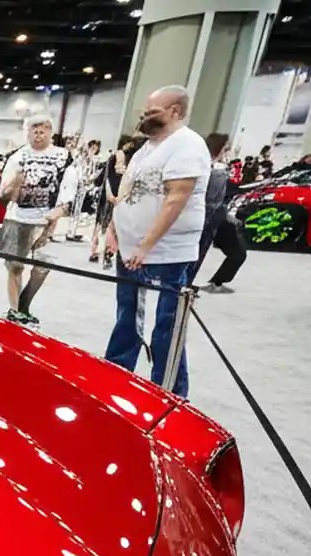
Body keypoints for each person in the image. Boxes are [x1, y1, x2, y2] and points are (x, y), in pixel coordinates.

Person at [104, 85, 211, 398]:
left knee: (165, 324)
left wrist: (146, 245)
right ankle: (116, 372)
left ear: (175, 111)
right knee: (127, 315)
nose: (144, 118)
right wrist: (114, 228)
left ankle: (169, 392)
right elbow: (128, 188)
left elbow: (176, 198)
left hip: (166, 255)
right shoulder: (147, 147)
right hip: (130, 249)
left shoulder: (187, 145)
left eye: (152, 113)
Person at [0, 115, 78, 325]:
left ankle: (23, 305)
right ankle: (15, 310)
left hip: (46, 221)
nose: (38, 133)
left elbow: (69, 190)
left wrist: (56, 216)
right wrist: (16, 181)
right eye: (34, 129)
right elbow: (3, 193)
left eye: (43, 129)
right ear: (28, 132)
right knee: (15, 267)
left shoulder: (63, 157)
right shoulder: (17, 156)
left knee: (42, 268)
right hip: (17, 219)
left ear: (51, 132)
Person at [189, 132, 232, 285]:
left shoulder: (196, 163)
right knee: (196, 256)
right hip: (205, 220)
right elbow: (212, 202)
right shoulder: (217, 171)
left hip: (193, 217)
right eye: (226, 148)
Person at [92, 134, 137, 267]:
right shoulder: (119, 156)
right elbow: (107, 177)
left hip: (115, 195)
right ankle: (102, 253)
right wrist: (110, 193)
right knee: (106, 225)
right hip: (113, 195)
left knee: (105, 225)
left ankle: (101, 253)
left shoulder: (129, 159)